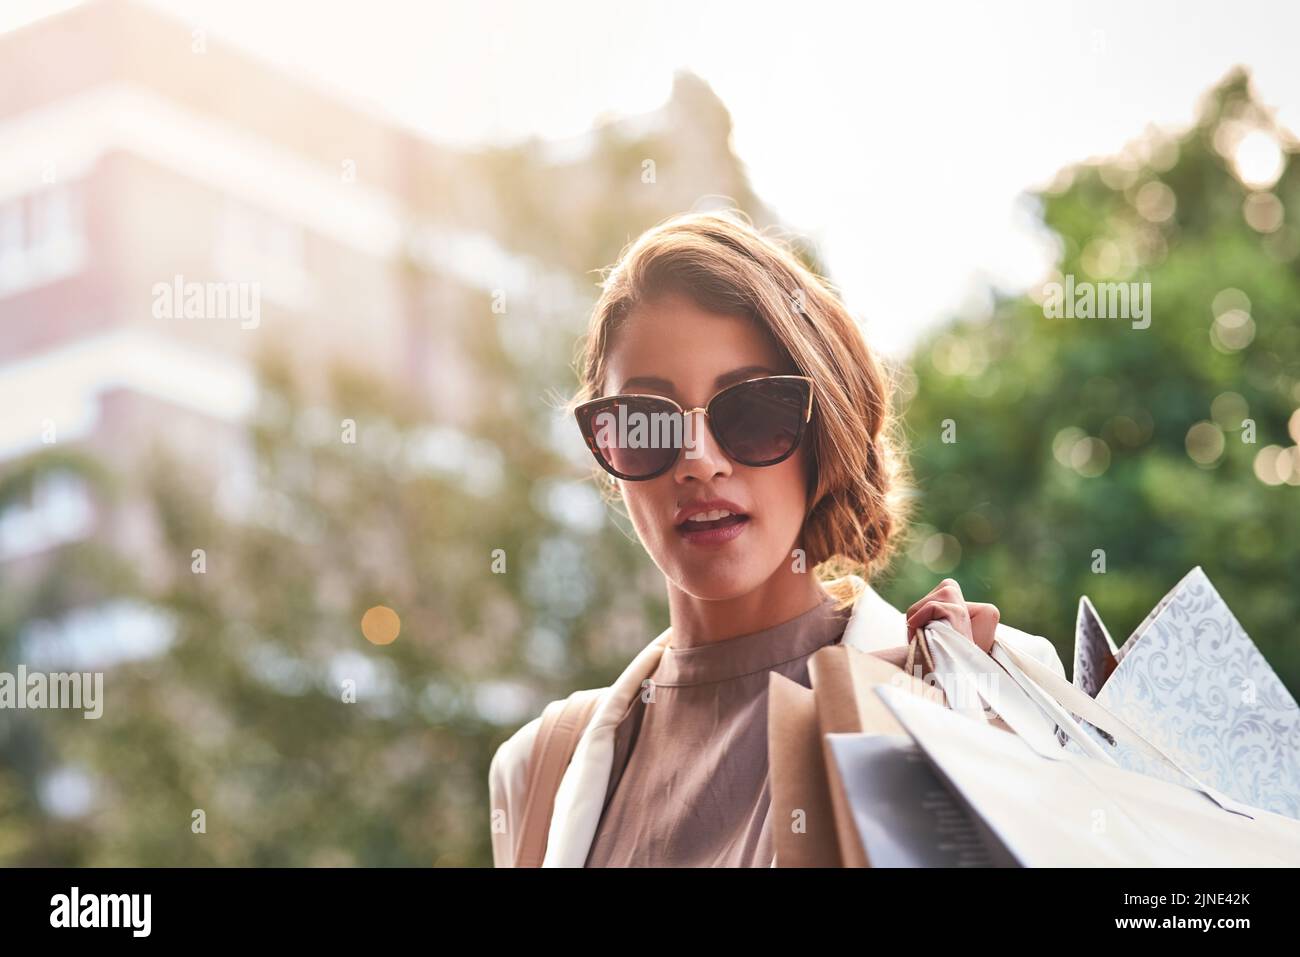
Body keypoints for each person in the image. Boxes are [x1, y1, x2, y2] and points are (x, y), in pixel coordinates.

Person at [489, 210, 1065, 867]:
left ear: (820, 438)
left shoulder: (976, 693)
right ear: (607, 452)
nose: (699, 460)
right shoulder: (538, 770)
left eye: (753, 411)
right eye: (647, 420)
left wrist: (968, 739)